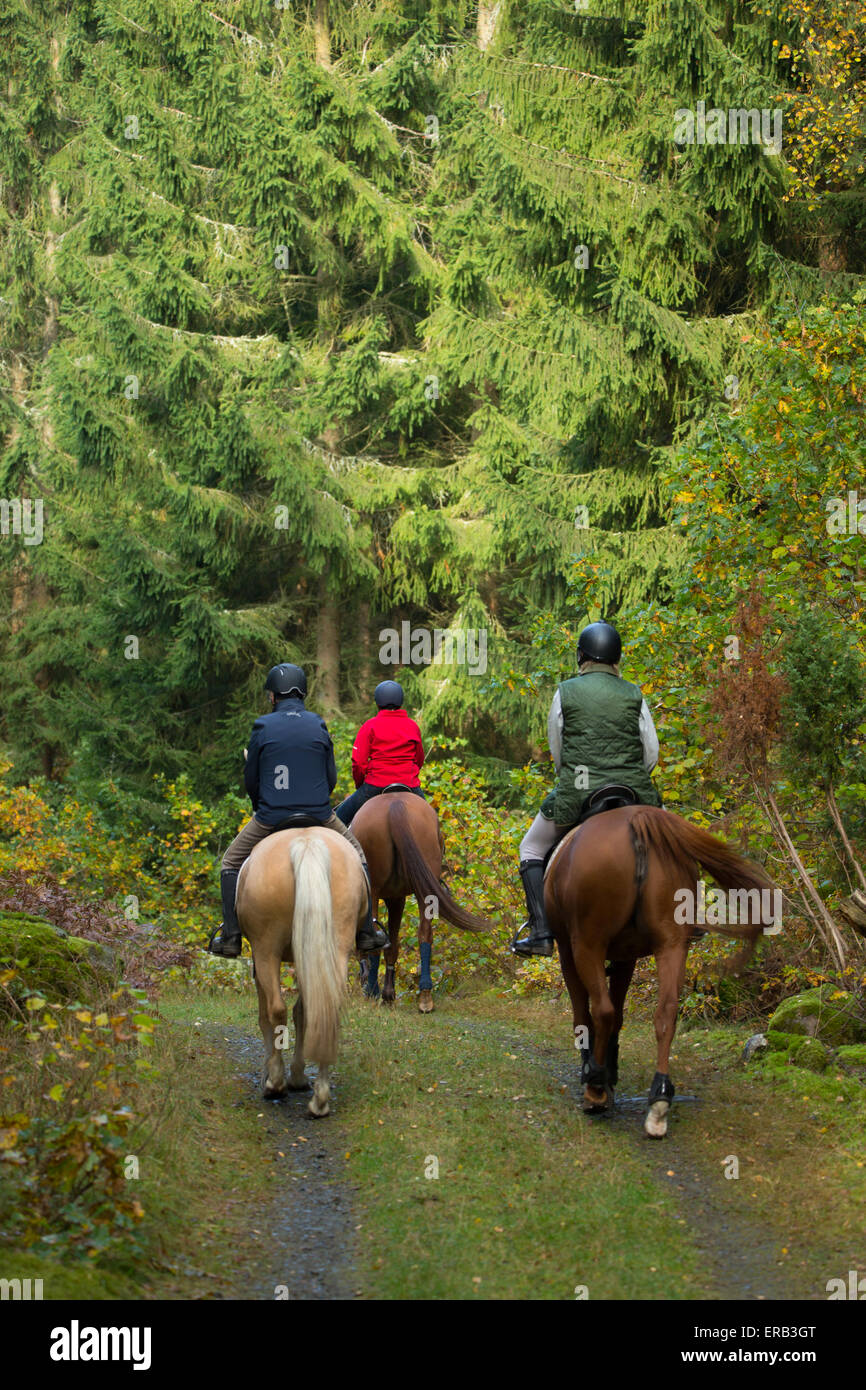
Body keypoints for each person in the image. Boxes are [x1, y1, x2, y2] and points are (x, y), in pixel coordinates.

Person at [208, 663, 389, 958]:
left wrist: (260, 808)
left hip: (271, 816)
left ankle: (230, 936)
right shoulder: (317, 723)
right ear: (302, 694)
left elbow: (251, 779)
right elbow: (330, 777)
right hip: (318, 813)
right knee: (357, 855)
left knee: (229, 862)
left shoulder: (262, 726)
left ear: (272, 697)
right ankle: (367, 931)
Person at [510, 621, 662, 957]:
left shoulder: (566, 691)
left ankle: (540, 932)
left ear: (582, 656)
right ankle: (687, 917)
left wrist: (577, 777)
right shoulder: (634, 692)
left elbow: (558, 750)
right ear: (615, 658)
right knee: (675, 843)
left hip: (580, 786)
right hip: (633, 789)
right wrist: (632, 775)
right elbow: (651, 752)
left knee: (531, 849)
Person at [334, 680, 426, 826]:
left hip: (375, 785)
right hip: (409, 784)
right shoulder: (412, 726)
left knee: (338, 819)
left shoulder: (369, 726)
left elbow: (358, 762)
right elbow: (419, 759)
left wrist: (360, 786)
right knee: (432, 822)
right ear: (401, 702)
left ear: (377, 703)